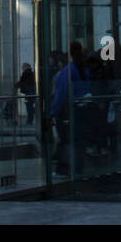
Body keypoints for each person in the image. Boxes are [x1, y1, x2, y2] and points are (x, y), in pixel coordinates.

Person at [50, 42, 90, 176]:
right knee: (78, 141)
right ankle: (78, 167)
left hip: (68, 111)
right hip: (82, 109)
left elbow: (61, 95)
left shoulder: (67, 72)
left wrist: (53, 112)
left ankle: (65, 168)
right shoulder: (84, 70)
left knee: (66, 140)